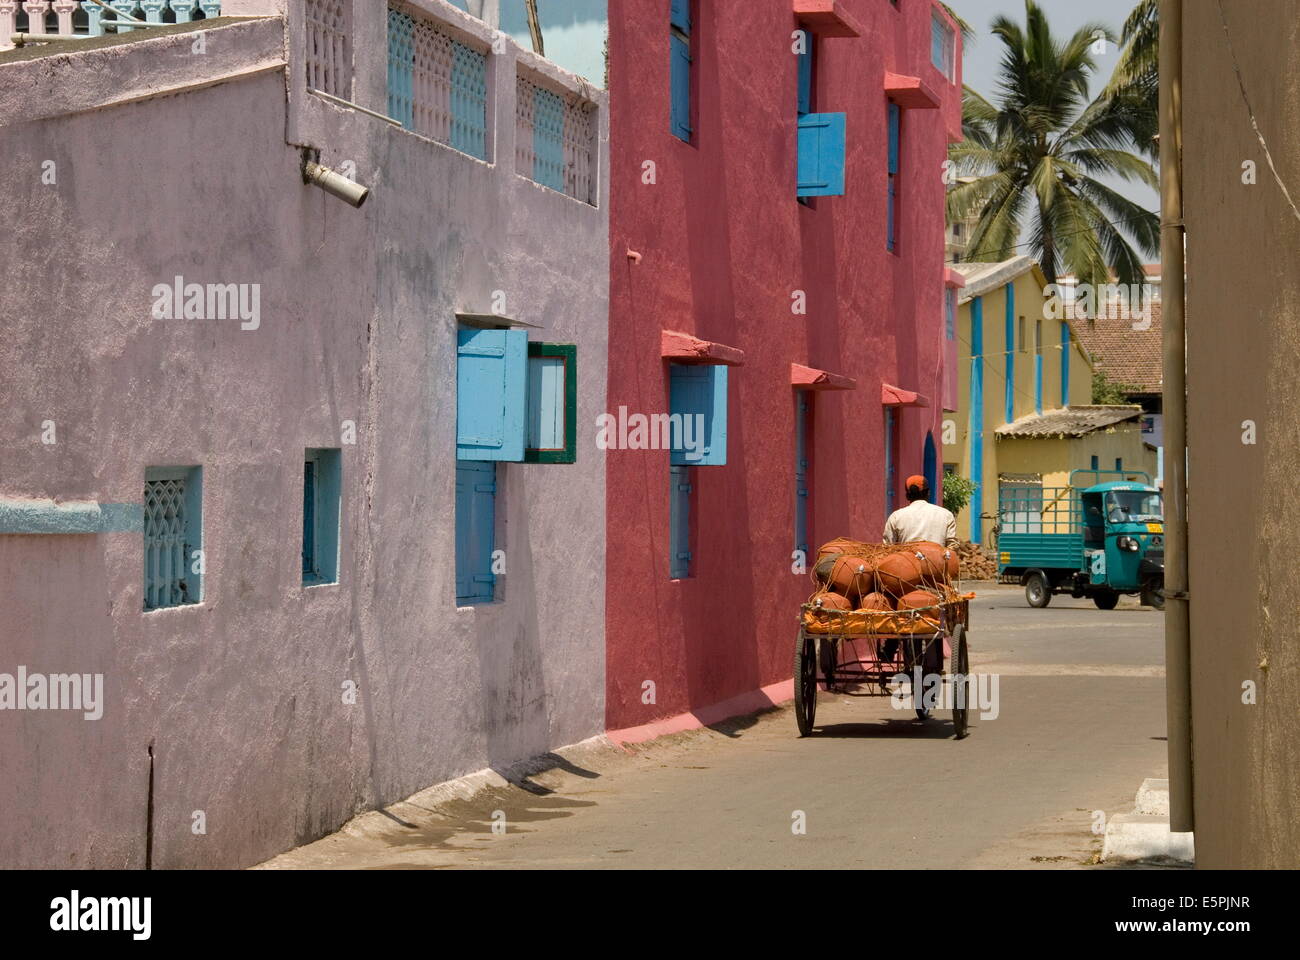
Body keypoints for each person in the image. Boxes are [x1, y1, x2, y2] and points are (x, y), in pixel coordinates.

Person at [883, 475, 958, 548]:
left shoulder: (896, 517)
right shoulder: (946, 515)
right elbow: (953, 546)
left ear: (907, 496)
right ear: (928, 492)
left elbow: (888, 548)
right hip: (937, 560)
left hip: (907, 560)